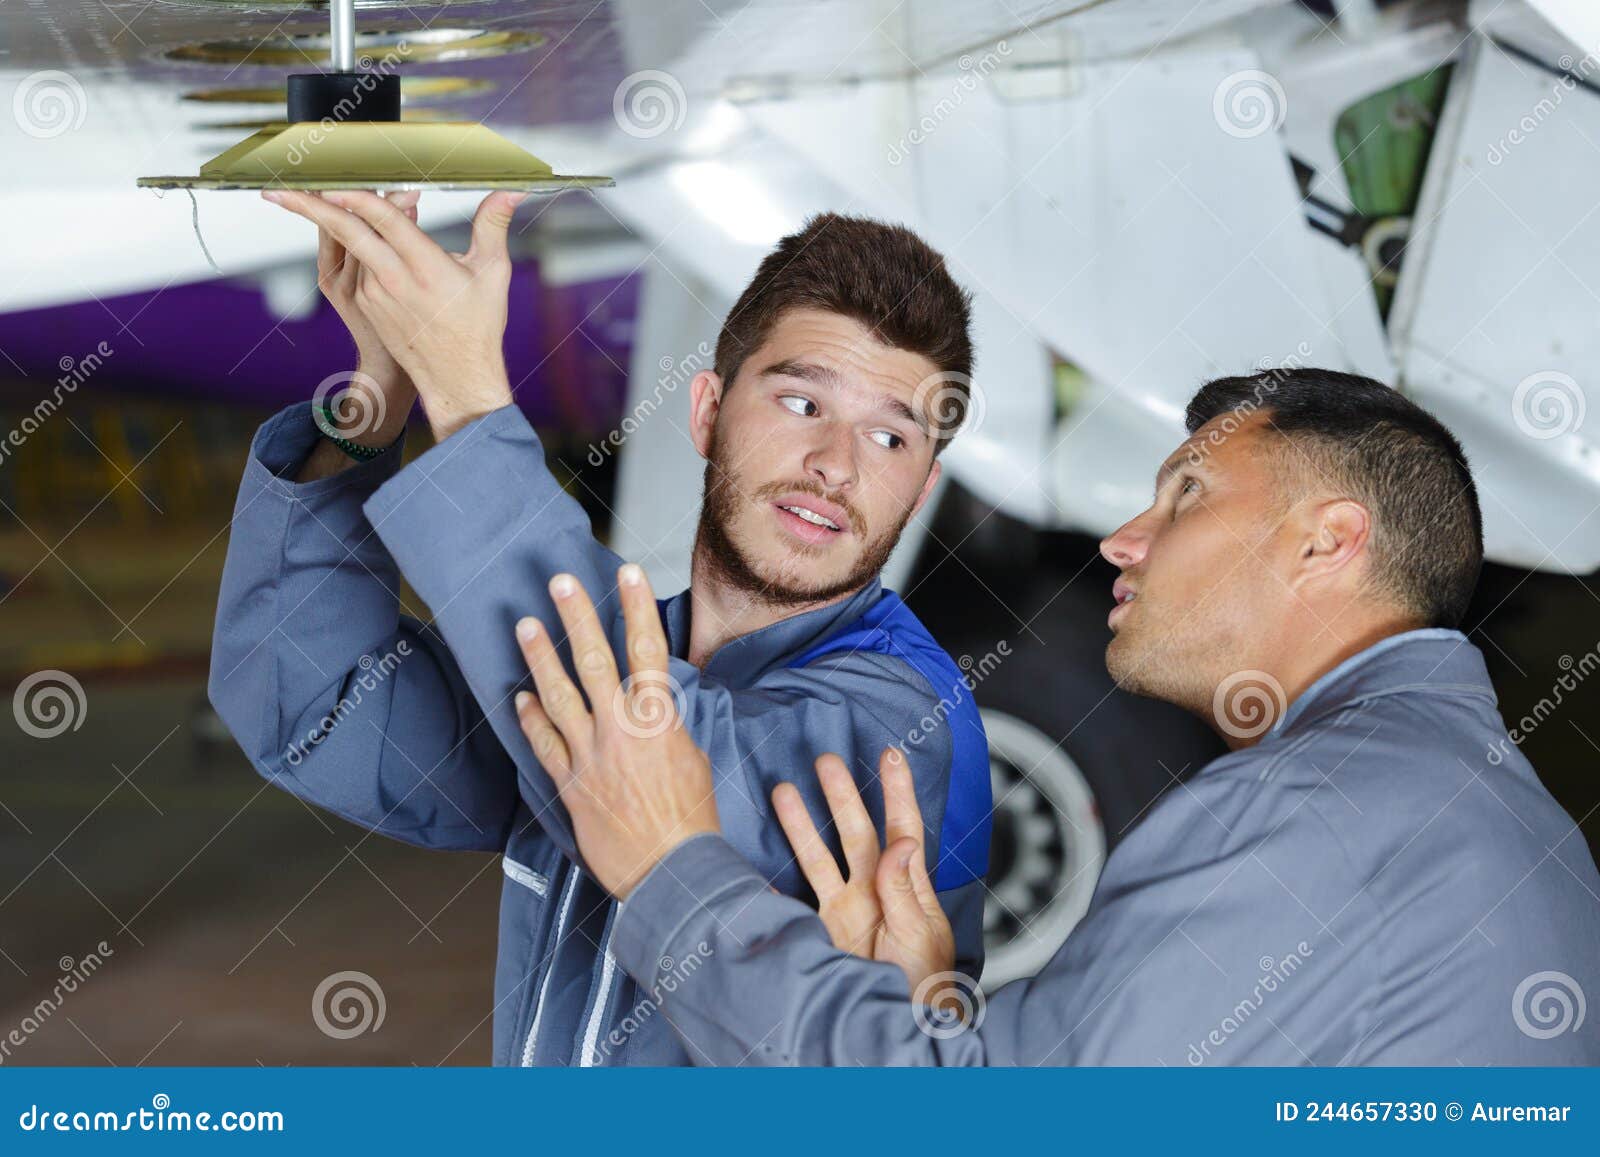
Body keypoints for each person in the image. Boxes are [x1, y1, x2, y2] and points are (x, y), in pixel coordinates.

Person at [513, 369, 1600, 1065]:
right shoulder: (1496, 824)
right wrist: (932, 1003)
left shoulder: (1318, 818)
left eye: (1183, 496)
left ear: (1326, 541)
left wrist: (666, 865)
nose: (1123, 539)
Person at [208, 193, 993, 1065]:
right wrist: (378, 400)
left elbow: (657, 750)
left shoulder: (904, 723)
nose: (837, 466)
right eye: (804, 405)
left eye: (890, 438)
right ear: (705, 413)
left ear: (921, 490)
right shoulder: (616, 657)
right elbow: (317, 705)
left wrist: (466, 390)